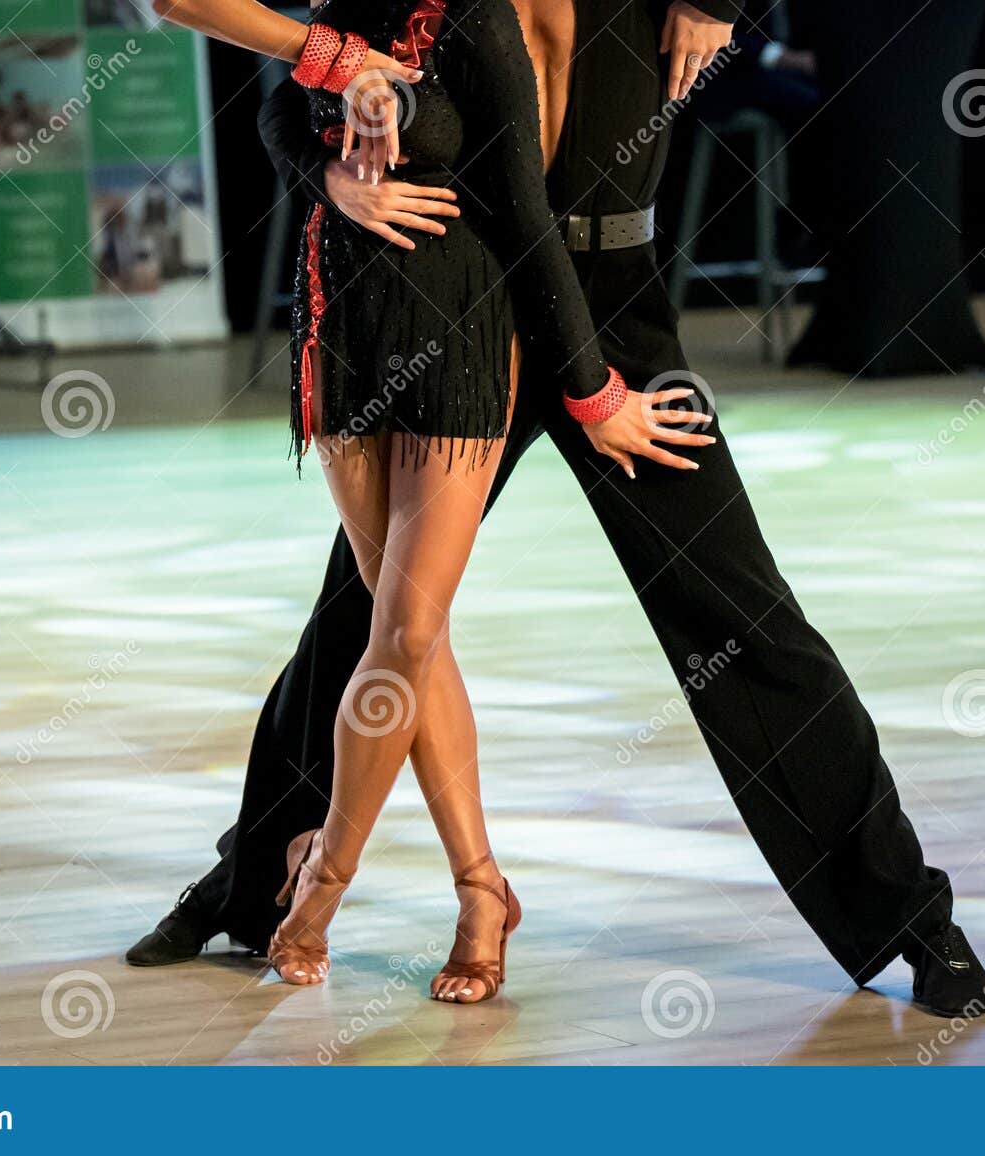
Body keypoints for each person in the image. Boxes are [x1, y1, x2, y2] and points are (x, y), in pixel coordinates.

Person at [131, 0, 985, 1020]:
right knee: (360, 622)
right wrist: (323, 176)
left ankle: (908, 917)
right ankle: (249, 886)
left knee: (741, 614)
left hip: (611, 304)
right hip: (461, 293)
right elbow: (306, 82)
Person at [149, 0, 712, 1004]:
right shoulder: (336, 17)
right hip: (340, 317)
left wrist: (592, 392)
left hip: (459, 324)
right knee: (412, 634)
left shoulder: (479, 21)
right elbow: (278, 113)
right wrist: (328, 177)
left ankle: (319, 881)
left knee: (404, 626)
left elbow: (528, 213)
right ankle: (482, 887)